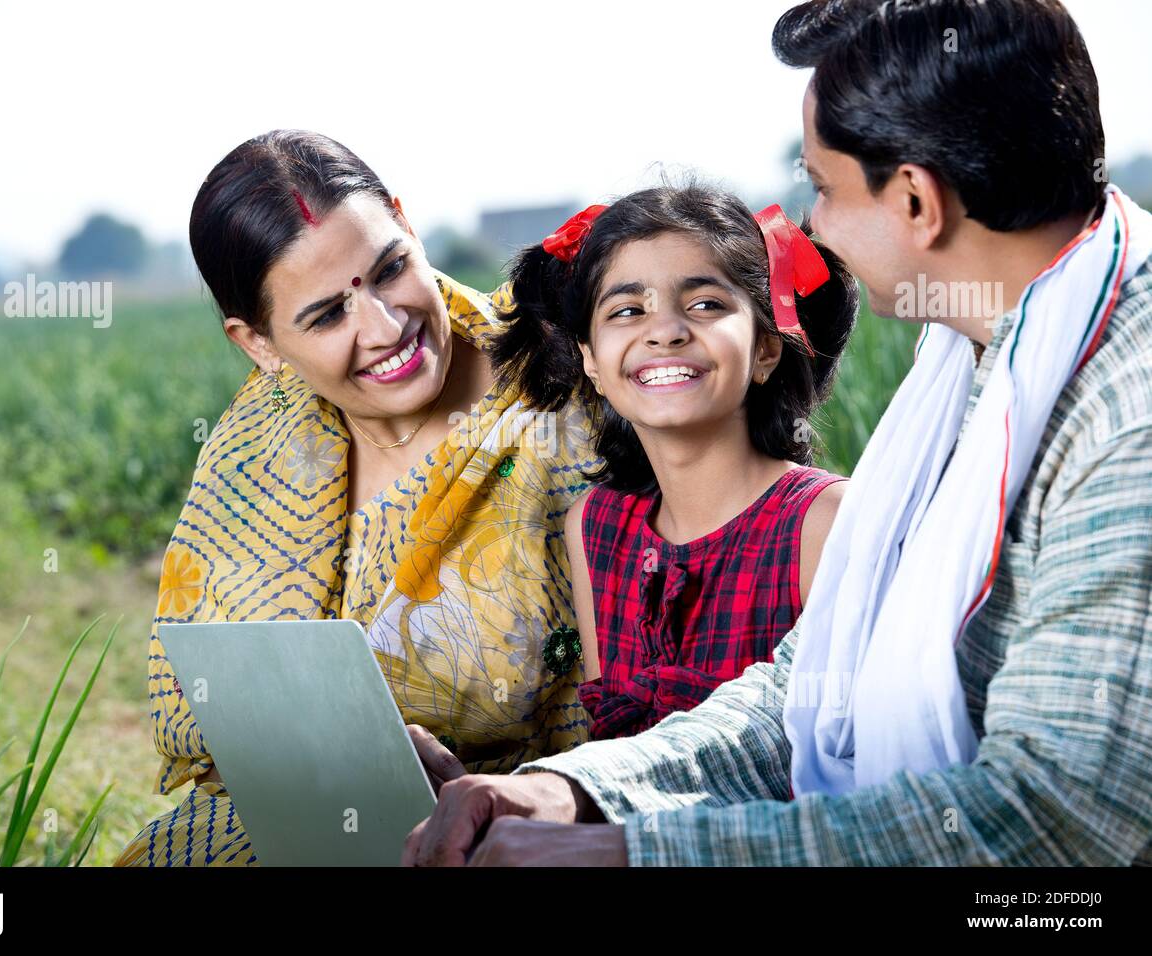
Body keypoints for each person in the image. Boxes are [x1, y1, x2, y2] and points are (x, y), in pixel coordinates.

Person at [403, 0, 1152, 866]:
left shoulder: (1125, 418)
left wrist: (635, 853)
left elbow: (1061, 819)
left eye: (824, 188)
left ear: (916, 201)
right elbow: (817, 679)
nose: (815, 227)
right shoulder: (982, 353)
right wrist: (569, 789)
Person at [114, 130, 603, 866]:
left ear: (406, 221)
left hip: (524, 829)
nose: (383, 326)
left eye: (391, 269)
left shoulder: (570, 382)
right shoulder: (250, 453)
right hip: (289, 827)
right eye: (326, 316)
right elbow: (218, 702)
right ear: (259, 344)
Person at [487, 181, 853, 740]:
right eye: (628, 310)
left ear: (765, 349)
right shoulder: (596, 526)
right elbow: (609, 753)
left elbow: (852, 756)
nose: (664, 332)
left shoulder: (826, 523)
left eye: (705, 304)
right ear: (591, 361)